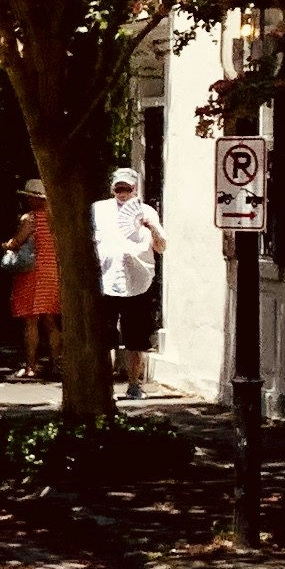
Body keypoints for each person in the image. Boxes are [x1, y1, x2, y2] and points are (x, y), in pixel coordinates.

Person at [92, 164, 165, 398]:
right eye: (118, 189)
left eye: (127, 189)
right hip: (107, 280)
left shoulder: (147, 211)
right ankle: (106, 385)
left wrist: (151, 227)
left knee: (136, 338)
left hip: (138, 282)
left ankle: (134, 384)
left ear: (135, 189)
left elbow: (161, 246)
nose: (122, 194)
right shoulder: (98, 210)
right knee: (105, 337)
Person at [4, 176, 62, 376]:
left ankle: (30, 367)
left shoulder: (30, 219)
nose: (29, 201)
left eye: (31, 197)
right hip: (52, 272)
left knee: (31, 321)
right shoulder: (57, 220)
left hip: (32, 273)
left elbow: (18, 242)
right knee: (50, 320)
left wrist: (7, 245)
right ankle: (56, 364)